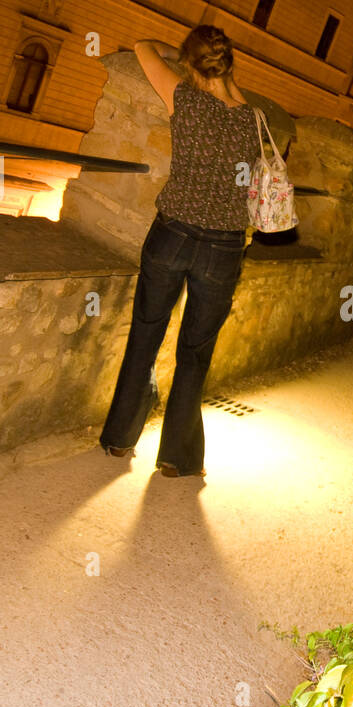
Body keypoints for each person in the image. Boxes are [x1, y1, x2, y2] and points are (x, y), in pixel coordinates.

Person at [99, 25, 259, 477]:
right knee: (195, 352)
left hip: (173, 235)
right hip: (223, 246)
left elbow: (140, 45)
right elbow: (233, 93)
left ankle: (118, 439)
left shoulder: (183, 99)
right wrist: (216, 68)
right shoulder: (252, 118)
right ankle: (176, 457)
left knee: (145, 334)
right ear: (228, 64)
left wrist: (180, 53)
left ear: (191, 64)